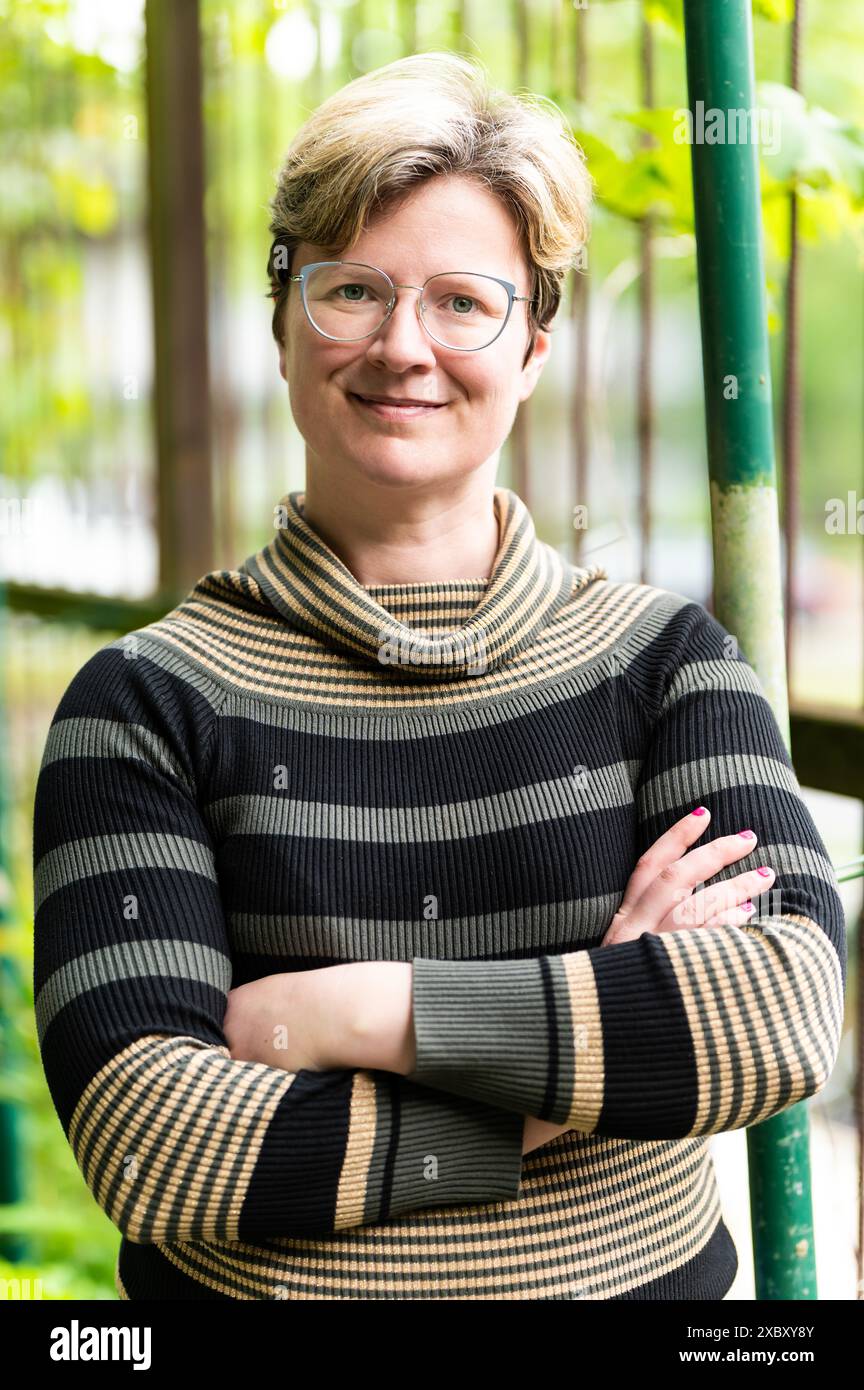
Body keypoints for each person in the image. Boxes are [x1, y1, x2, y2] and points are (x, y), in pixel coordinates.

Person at [33, 51, 846, 1302]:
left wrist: (356, 1011)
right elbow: (153, 1144)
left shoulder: (667, 664)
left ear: (532, 342)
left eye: (464, 301)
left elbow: (782, 1010)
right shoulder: (146, 703)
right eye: (351, 290)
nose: (404, 346)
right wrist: (578, 1065)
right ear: (283, 322)